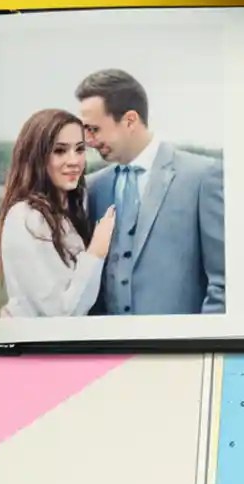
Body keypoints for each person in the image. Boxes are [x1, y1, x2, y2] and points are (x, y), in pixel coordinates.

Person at [75, 69, 225, 316]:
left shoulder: (201, 176)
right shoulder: (92, 187)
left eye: (95, 129)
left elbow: (222, 283)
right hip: (109, 351)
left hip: (179, 350)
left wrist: (199, 346)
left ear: (130, 120)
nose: (89, 140)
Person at [0, 109, 117, 318]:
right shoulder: (26, 216)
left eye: (79, 150)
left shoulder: (69, 210)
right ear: (37, 157)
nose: (74, 161)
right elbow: (63, 313)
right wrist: (96, 252)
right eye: (60, 151)